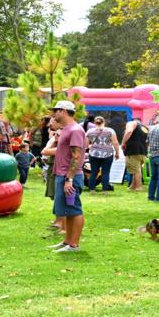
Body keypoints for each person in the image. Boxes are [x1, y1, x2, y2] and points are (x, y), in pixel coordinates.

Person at [46, 101, 89, 252]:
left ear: (64, 111)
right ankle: (67, 241)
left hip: (70, 177)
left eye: (56, 110)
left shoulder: (75, 130)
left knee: (74, 209)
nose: (53, 113)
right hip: (62, 176)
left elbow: (77, 157)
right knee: (67, 211)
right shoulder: (66, 129)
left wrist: (69, 179)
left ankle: (74, 245)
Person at [85, 114, 121, 192]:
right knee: (106, 172)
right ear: (104, 122)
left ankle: (92, 190)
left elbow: (85, 144)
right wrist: (117, 153)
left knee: (94, 172)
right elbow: (115, 143)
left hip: (94, 154)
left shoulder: (90, 131)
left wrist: (91, 147)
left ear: (95, 123)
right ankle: (105, 190)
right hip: (107, 154)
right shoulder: (110, 131)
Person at [122, 115, 149, 192]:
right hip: (142, 152)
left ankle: (138, 187)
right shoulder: (145, 128)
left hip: (133, 151)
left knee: (136, 170)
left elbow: (129, 131)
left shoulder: (131, 123)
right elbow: (148, 141)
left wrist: (123, 143)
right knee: (136, 169)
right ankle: (132, 186)